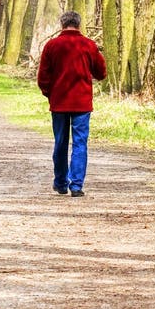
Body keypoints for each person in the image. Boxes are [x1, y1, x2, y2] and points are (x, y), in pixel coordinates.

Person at [37, 11, 107, 197]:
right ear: (79, 25)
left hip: (59, 102)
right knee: (80, 143)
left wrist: (49, 94)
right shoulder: (88, 45)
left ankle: (60, 183)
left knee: (60, 142)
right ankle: (76, 185)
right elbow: (101, 72)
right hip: (82, 103)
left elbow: (43, 77)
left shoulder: (51, 45)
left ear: (62, 24)